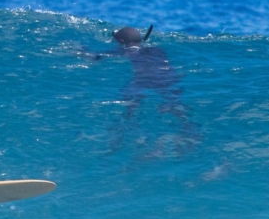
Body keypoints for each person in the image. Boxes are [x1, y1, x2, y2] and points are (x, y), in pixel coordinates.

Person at [85, 25, 199, 155]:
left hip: (143, 80)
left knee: (130, 106)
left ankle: (121, 139)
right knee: (178, 109)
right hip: (168, 79)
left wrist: (80, 51)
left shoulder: (127, 51)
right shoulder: (157, 49)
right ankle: (190, 134)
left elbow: (95, 57)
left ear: (122, 42)